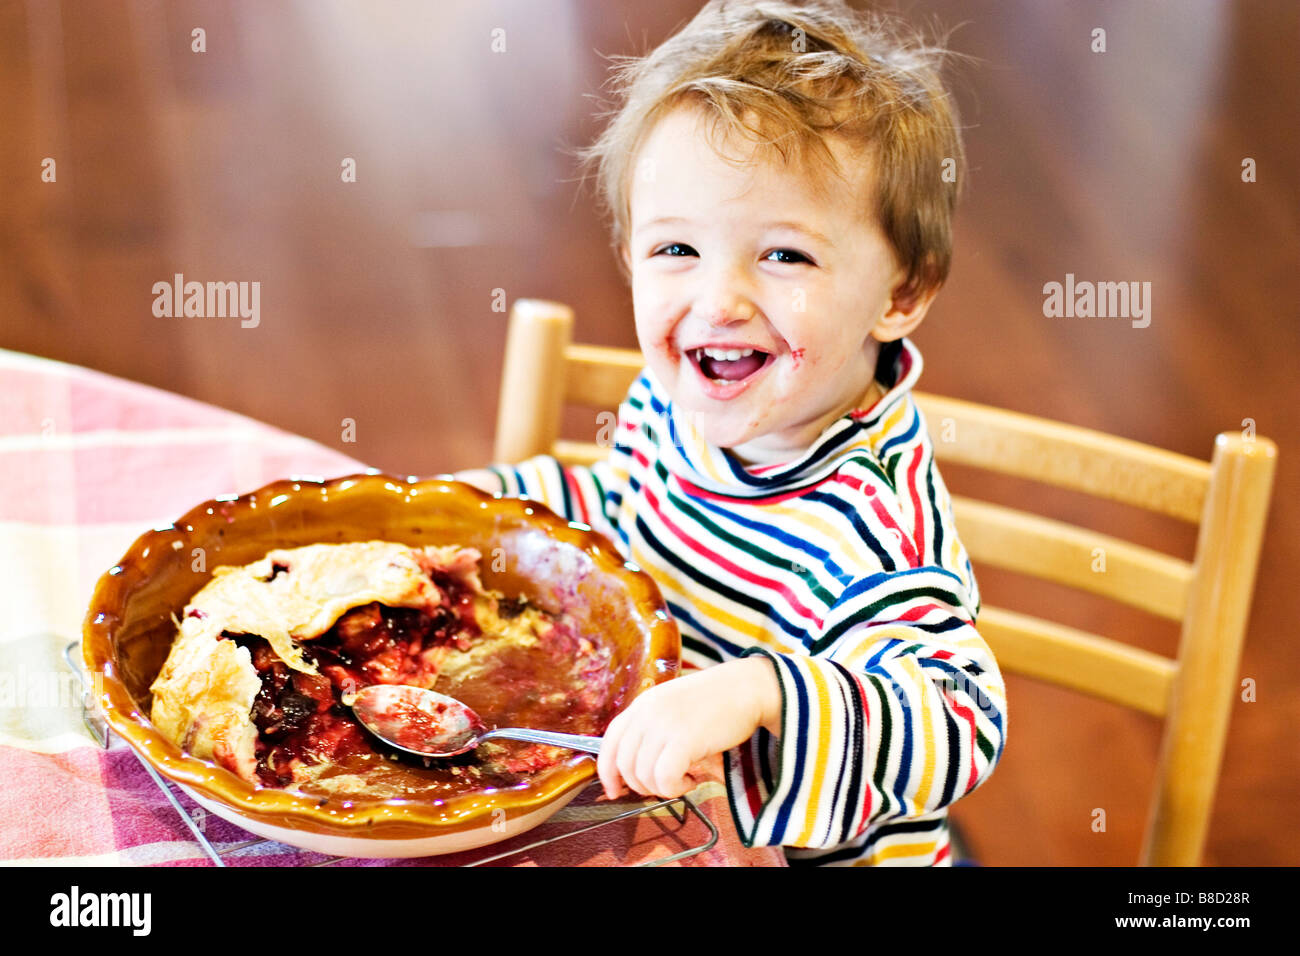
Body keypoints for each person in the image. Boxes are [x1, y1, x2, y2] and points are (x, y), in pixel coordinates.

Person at [454, 0, 1005, 866]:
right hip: (663, 809)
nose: (719, 301)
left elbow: (960, 719)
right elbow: (625, 506)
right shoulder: (687, 397)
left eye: (785, 256)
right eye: (677, 250)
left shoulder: (873, 531)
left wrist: (762, 690)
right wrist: (493, 506)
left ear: (901, 294)